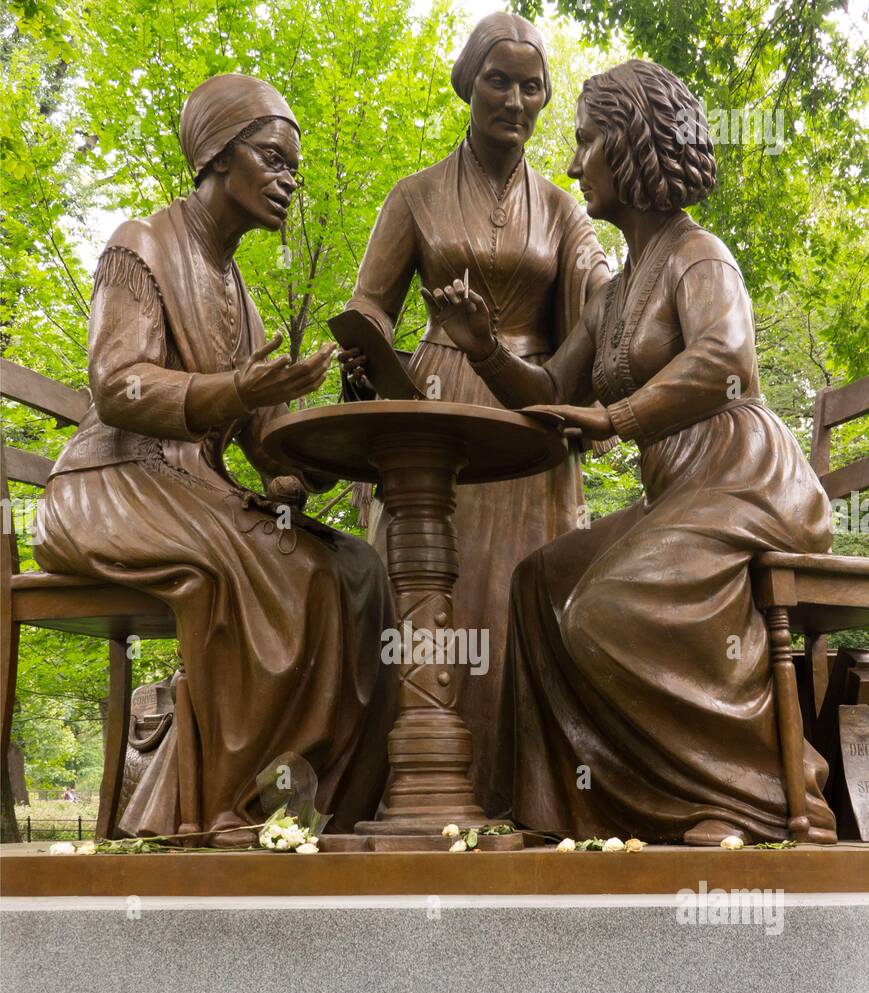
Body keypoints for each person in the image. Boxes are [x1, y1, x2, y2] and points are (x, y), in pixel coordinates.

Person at [422, 59, 837, 845]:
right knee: (540, 585)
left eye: (585, 143)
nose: (573, 163)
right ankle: (566, 811)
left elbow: (722, 362)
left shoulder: (697, 253)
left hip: (744, 481)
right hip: (679, 494)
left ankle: (751, 800)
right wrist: (480, 350)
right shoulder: (613, 292)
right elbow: (547, 384)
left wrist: (616, 417)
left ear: (631, 144)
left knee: (606, 611)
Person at [33, 74, 396, 846]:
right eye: (272, 159)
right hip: (109, 483)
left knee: (357, 570)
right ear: (215, 157)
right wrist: (233, 388)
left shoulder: (242, 291)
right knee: (274, 566)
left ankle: (309, 804)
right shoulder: (142, 244)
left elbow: (269, 447)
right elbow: (120, 383)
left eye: (292, 165)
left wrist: (339, 420)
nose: (288, 180)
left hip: (188, 487)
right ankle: (224, 803)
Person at [337, 12, 610, 810]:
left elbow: (595, 305)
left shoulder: (564, 211)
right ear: (468, 84)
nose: (515, 100)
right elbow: (370, 306)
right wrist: (366, 350)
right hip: (433, 405)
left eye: (532, 86)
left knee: (517, 592)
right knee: (422, 589)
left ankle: (519, 797)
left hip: (527, 412)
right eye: (499, 80)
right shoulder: (414, 194)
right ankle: (419, 788)